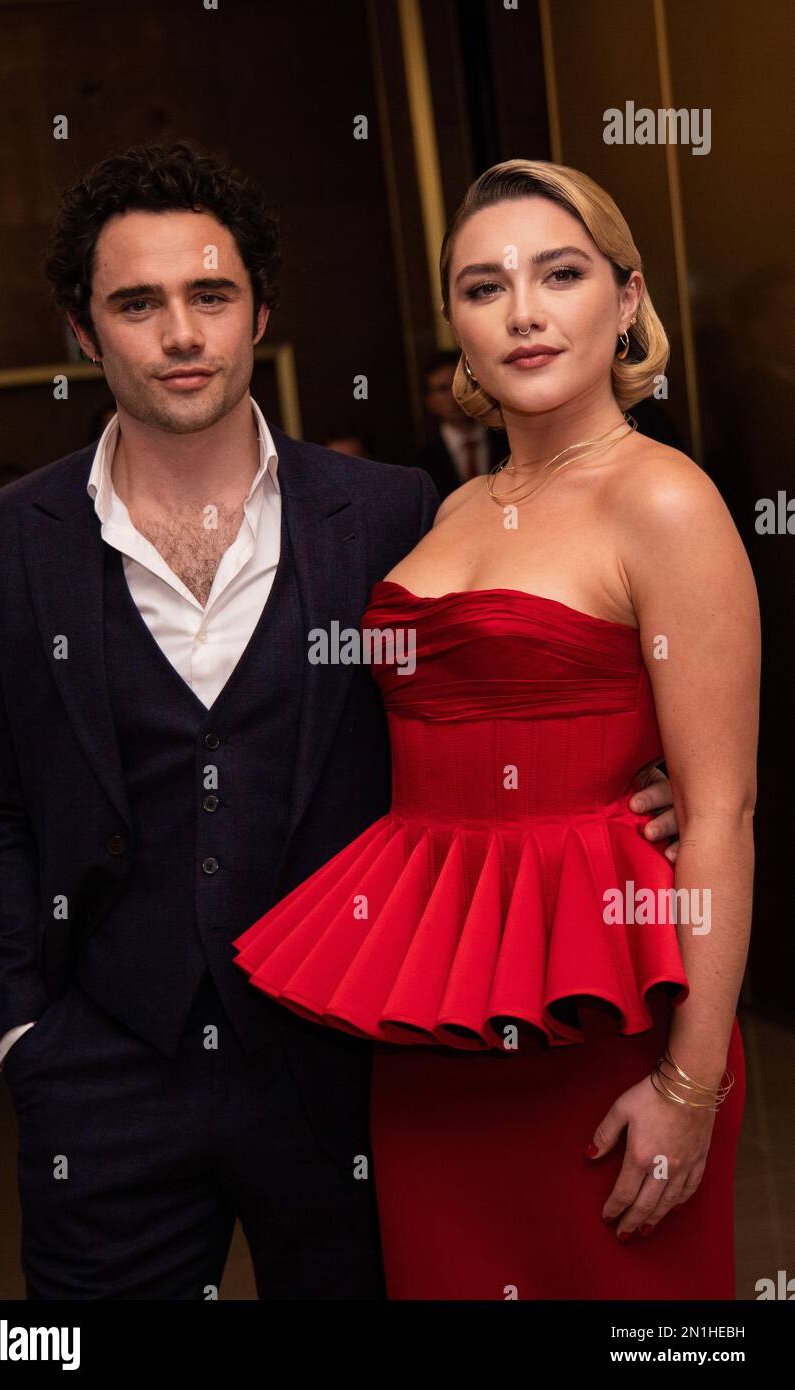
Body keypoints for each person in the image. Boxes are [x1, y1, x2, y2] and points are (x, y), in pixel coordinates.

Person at [0, 141, 684, 1301]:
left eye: (210, 295)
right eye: (137, 304)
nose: (180, 334)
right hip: (101, 1071)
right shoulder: (4, 541)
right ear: (85, 334)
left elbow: (492, 699)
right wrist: (20, 1033)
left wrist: (644, 783)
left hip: (350, 1061)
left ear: (259, 312)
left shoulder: (391, 511)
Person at [232, 159, 758, 1299]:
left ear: (623, 302)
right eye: (483, 286)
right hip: (429, 1023)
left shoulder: (663, 499)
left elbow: (718, 812)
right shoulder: (448, 507)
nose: (521, 310)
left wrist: (689, 1085)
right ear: (454, 327)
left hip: (596, 1012)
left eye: (558, 274)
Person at [415, 350, 504, 497]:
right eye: (442, 389)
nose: (454, 396)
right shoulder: (421, 460)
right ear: (429, 401)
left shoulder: (509, 442)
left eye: (458, 385)